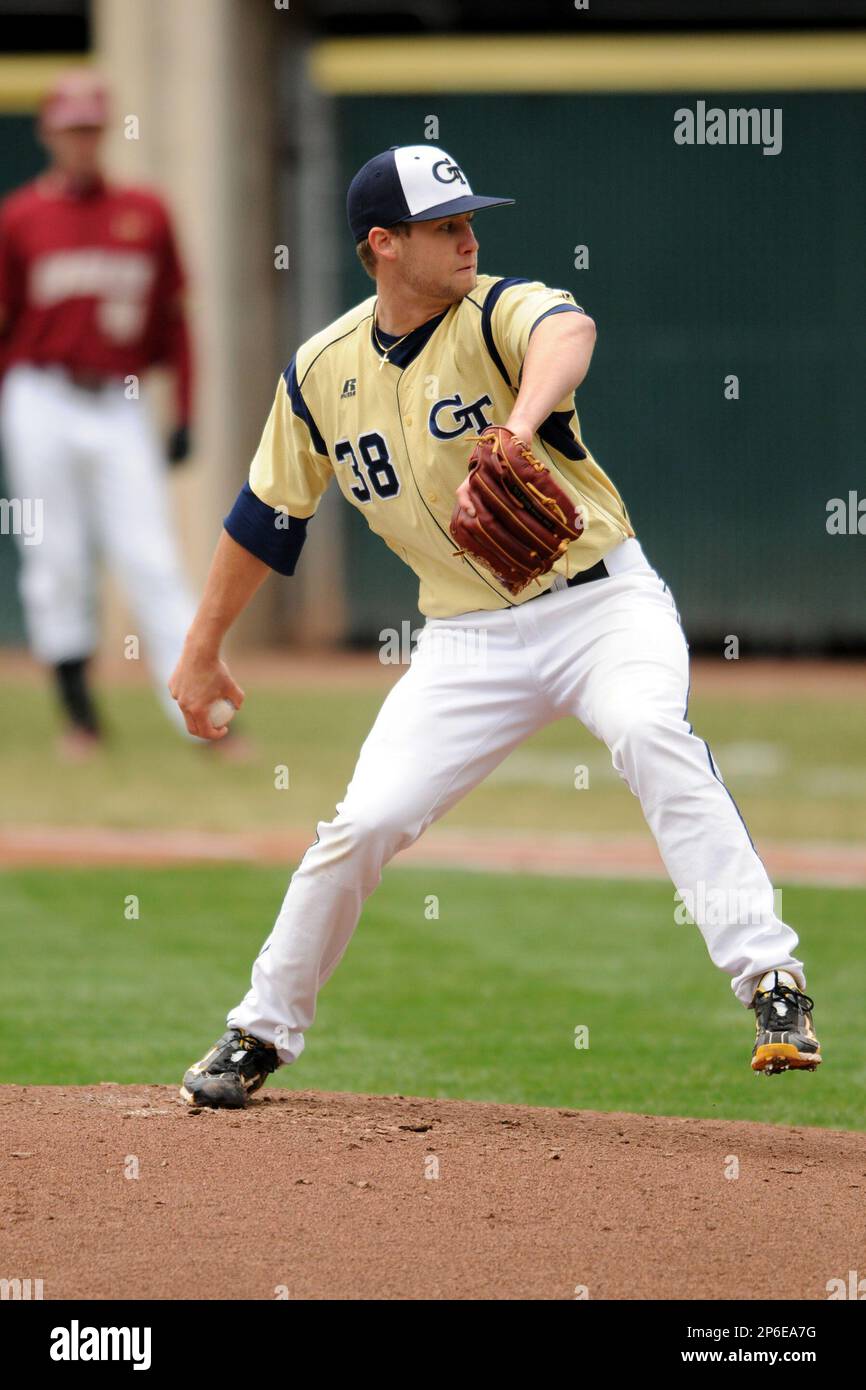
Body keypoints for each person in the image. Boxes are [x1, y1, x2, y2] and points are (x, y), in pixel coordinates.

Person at [171, 144, 820, 1108]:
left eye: (471, 216)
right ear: (382, 246)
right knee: (365, 822)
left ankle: (772, 981)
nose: (470, 235)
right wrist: (200, 650)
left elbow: (571, 329)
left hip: (603, 604)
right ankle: (258, 1032)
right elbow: (266, 515)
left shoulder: (497, 308)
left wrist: (517, 425)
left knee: (649, 734)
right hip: (468, 641)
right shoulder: (319, 372)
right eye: (445, 226)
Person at [0, 69, 196, 756]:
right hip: (39, 394)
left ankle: (199, 716)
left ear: (104, 131)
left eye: (91, 128)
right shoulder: (21, 217)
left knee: (152, 557)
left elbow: (175, 322)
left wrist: (186, 410)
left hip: (118, 400)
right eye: (70, 128)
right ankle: (79, 717)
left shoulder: (145, 211)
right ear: (49, 132)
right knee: (54, 557)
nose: (81, 141)